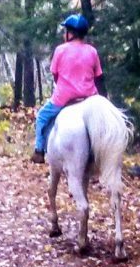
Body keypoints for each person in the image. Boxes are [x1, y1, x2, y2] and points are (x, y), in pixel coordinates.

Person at [30, 14, 106, 164]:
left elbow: (55, 75)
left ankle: (39, 151)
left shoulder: (60, 50)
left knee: (41, 117)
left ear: (70, 33)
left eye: (66, 31)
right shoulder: (92, 51)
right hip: (90, 98)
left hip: (64, 97)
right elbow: (98, 75)